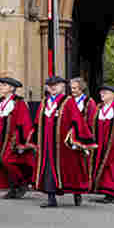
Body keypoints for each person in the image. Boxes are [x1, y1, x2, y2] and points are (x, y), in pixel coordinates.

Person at [32, 76, 96, 208]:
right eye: (50, 85)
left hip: (63, 145)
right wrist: (33, 140)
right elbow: (38, 123)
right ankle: (51, 197)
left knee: (71, 169)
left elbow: (78, 121)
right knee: (48, 168)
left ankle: (77, 193)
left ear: (62, 86)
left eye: (55, 85)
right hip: (47, 144)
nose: (52, 87)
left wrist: (79, 139)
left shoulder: (68, 101)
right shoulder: (44, 102)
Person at [0, 77, 36, 199]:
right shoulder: (0, 102)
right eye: (2, 85)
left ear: (12, 88)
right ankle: (13, 187)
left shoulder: (19, 102)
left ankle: (22, 183)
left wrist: (21, 141)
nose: (2, 87)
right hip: (0, 138)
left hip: (13, 138)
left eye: (5, 85)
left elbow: (24, 121)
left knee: (7, 160)